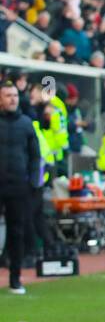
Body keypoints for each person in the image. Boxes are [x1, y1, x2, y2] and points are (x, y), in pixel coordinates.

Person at [0, 82, 40, 294]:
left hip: (18, 186)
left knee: (17, 232)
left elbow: (36, 156)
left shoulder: (26, 124)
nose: (13, 99)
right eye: (8, 95)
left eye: (15, 95)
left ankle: (15, 279)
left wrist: (34, 181)